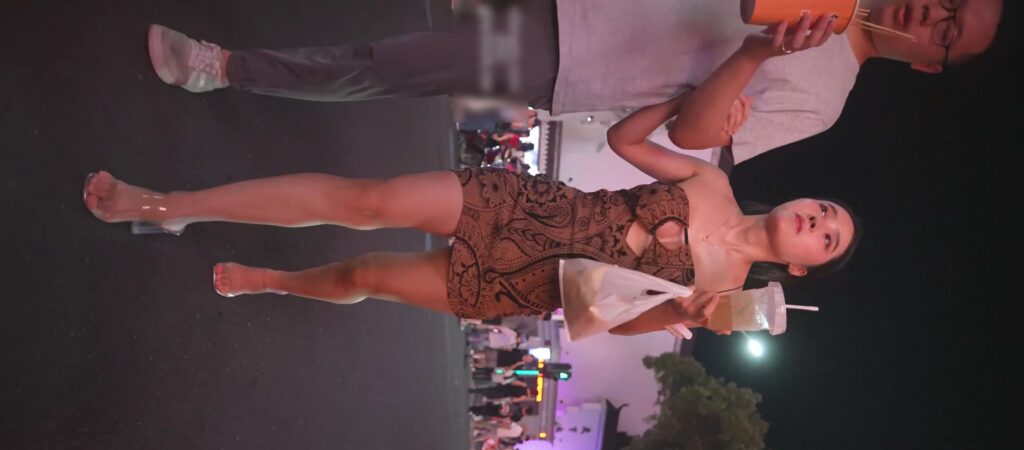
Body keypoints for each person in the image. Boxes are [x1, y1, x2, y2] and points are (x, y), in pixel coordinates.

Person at [83, 61, 861, 335]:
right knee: (366, 200)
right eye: (825, 211)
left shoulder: (726, 299)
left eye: (825, 238)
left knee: (365, 276)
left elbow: (613, 323)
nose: (816, 221)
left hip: (524, 285)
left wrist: (681, 315)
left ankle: (276, 281)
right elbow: (628, 141)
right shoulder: (713, 180)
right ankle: (171, 205)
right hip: (532, 207)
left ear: (799, 269)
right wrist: (690, 101)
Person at [145, 0, 1003, 164]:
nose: (934, 10)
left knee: (394, 64)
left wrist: (756, 55)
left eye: (947, 28)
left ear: (929, 62)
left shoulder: (823, 97)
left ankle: (224, 69)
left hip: (568, 52)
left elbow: (693, 137)